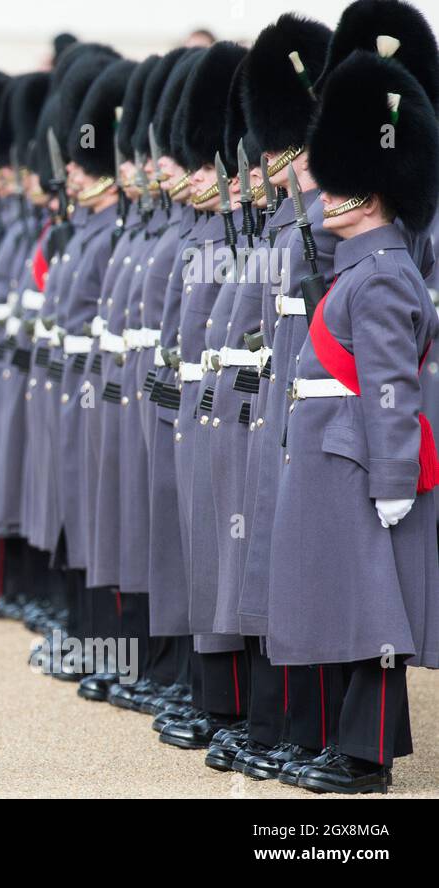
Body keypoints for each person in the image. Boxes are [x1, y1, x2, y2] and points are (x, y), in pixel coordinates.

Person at [266, 3, 439, 794]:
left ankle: (367, 761)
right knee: (340, 608)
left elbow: (392, 388)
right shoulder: (360, 269)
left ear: (367, 194)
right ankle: (346, 745)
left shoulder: (381, 277)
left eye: (337, 180)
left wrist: (395, 480)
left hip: (360, 464)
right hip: (334, 455)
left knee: (372, 618)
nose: (321, 191)